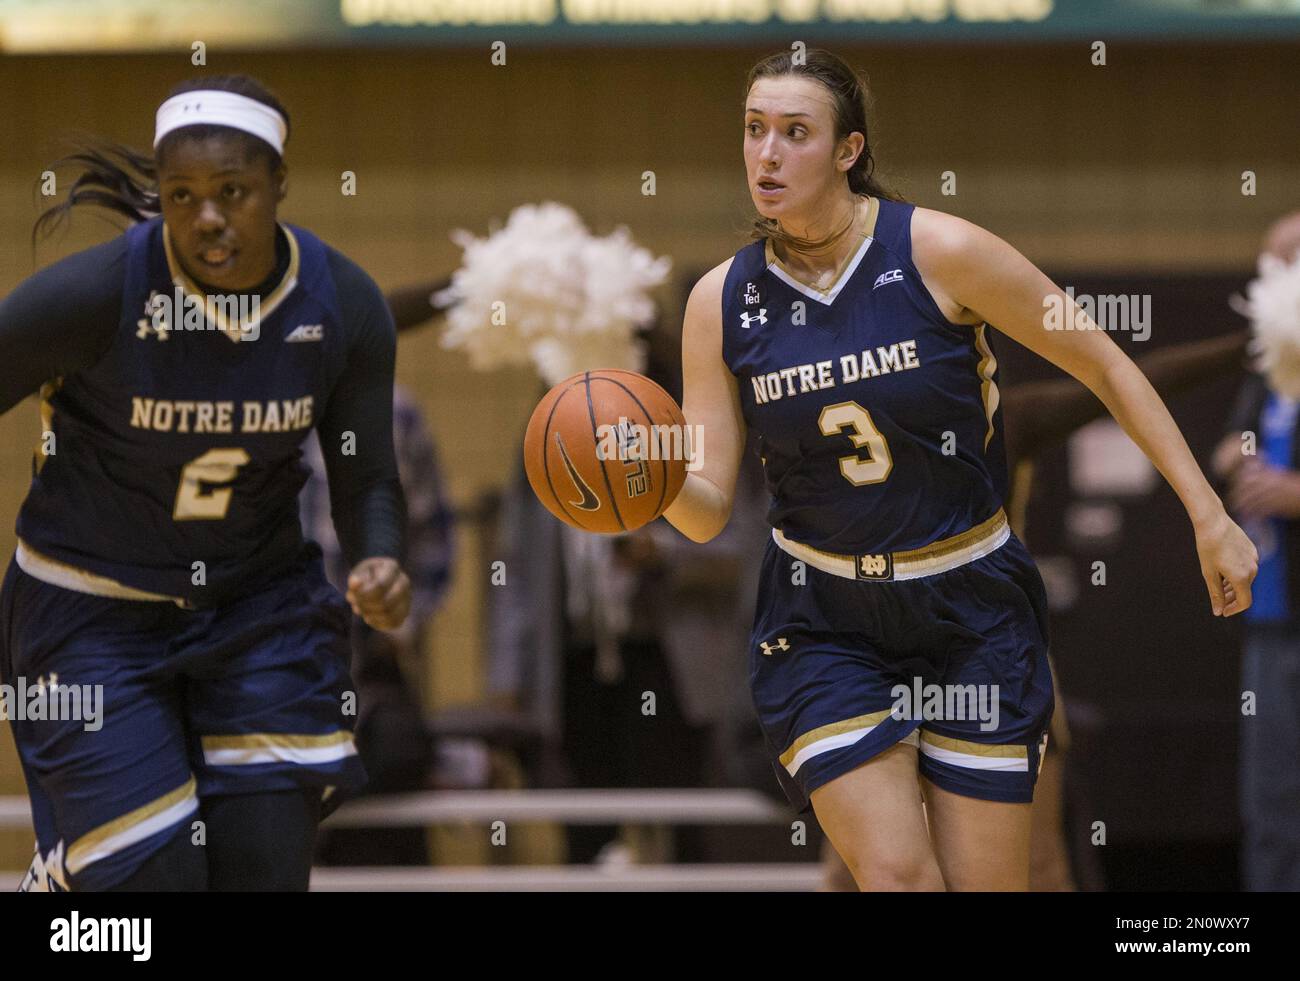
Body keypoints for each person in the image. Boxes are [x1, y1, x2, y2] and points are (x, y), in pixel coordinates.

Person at [663, 49, 1258, 891]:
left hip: (970, 608)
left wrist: (1208, 512)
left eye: (795, 132)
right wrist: (644, 482)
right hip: (824, 617)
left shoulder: (940, 250)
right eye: (755, 129)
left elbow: (1106, 364)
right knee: (898, 874)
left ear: (847, 150)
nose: (767, 153)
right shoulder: (720, 301)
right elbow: (704, 510)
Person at [0, 74, 411, 891]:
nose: (207, 217)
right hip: (90, 610)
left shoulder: (342, 302)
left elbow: (368, 477)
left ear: (279, 184)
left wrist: (381, 559)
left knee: (264, 866)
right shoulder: (97, 293)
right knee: (157, 884)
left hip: (258, 606)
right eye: (181, 195)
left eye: (231, 191)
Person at [1213, 210, 1300, 892]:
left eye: (1289, 259)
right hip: (1272, 617)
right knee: (1271, 803)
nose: (1274, 276)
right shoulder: (1273, 367)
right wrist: (1240, 461)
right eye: (1269, 263)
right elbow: (1231, 445)